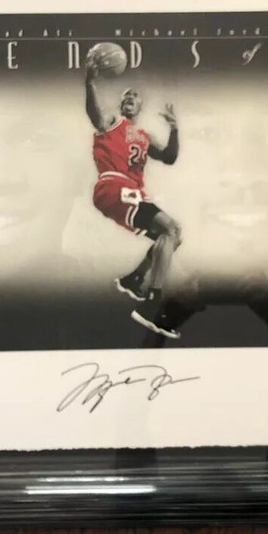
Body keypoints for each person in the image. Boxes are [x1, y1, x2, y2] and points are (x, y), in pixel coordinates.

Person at [85, 55, 183, 338]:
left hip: (132, 193)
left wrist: (174, 129)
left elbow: (169, 157)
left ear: (140, 106)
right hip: (114, 186)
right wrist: (90, 82)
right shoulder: (112, 122)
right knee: (170, 229)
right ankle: (151, 306)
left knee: (174, 237)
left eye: (135, 96)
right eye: (125, 95)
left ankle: (134, 278)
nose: (129, 98)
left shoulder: (143, 135)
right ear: (121, 104)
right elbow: (94, 112)